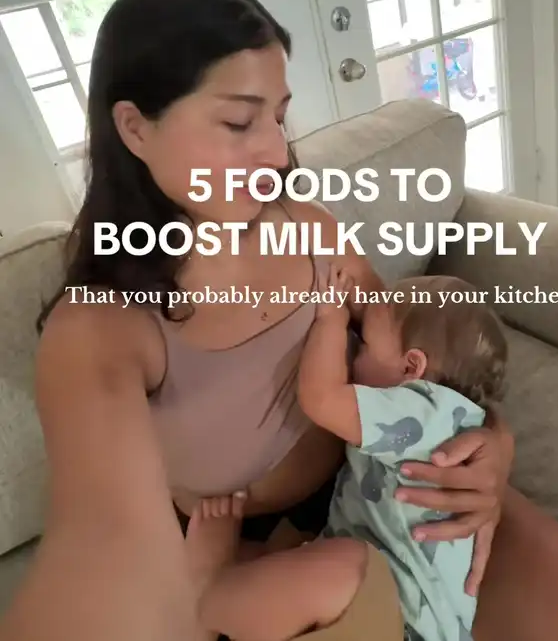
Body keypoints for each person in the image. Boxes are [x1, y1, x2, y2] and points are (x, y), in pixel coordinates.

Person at [3, 0, 558, 641]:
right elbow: (98, 540)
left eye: (278, 117)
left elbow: (412, 339)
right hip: (258, 552)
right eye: (239, 121)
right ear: (135, 127)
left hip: (383, 477)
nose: (277, 152)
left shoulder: (305, 225)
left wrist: (494, 439)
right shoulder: (99, 326)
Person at [183, 269, 508, 641]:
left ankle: (207, 592)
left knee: (343, 567)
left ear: (411, 368)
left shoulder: (424, 412)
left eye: (363, 344)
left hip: (400, 626)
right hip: (376, 611)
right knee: (287, 557)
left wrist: (331, 321)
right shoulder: (458, 422)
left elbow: (321, 399)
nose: (353, 353)